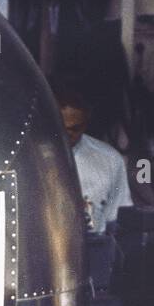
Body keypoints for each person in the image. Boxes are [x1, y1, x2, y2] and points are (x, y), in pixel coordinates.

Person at [55, 83, 133, 234]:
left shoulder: (110, 159)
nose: (67, 134)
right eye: (61, 127)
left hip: (94, 246)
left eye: (75, 128)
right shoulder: (29, 158)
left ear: (85, 124)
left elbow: (117, 216)